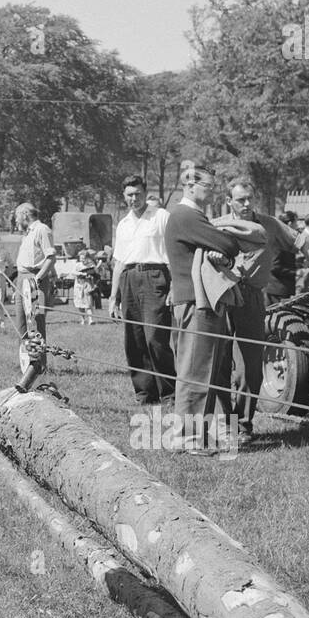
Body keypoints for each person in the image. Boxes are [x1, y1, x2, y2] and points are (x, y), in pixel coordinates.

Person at [164, 162, 241, 453]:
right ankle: (187, 438)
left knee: (203, 369)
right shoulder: (187, 216)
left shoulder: (190, 217)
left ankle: (198, 434)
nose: (212, 192)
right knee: (196, 371)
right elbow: (229, 244)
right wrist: (225, 246)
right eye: (208, 186)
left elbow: (222, 250)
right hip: (196, 302)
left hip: (197, 300)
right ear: (190, 185)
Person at [220, 180, 299, 439]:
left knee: (249, 365)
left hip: (252, 298)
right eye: (240, 199)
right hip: (221, 295)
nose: (245, 204)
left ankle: (243, 424)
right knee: (218, 362)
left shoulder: (270, 224)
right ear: (229, 200)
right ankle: (224, 420)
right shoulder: (218, 225)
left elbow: (300, 242)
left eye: (249, 198)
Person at [110, 175, 175, 406]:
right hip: (129, 279)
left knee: (155, 338)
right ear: (124, 196)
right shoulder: (124, 223)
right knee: (134, 340)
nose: (134, 198)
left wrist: (174, 286)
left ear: (145, 192)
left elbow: (173, 256)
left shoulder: (161, 216)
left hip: (155, 277)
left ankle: (169, 393)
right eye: (129, 194)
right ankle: (145, 394)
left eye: (137, 193)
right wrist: (112, 297)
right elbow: (118, 263)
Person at [11, 202, 56, 360]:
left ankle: (39, 364)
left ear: (25, 215)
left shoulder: (42, 229)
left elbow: (51, 258)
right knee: (21, 322)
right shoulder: (27, 233)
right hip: (22, 279)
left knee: (36, 322)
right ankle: (25, 361)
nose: (16, 221)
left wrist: (37, 280)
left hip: (35, 278)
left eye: (17, 216)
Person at [268, 210, 299, 300]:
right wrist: (296, 272)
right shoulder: (279, 240)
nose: (297, 226)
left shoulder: (285, 238)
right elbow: (274, 267)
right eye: (295, 223)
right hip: (277, 289)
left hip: (281, 288)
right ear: (289, 224)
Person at [72, 248, 100, 324]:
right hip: (78, 286)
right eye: (81, 258)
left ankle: (91, 319)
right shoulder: (78, 265)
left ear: (87, 258)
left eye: (84, 258)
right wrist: (81, 274)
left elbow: (96, 273)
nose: (82, 260)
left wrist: (91, 276)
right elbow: (73, 273)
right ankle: (83, 319)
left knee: (88, 303)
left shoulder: (91, 265)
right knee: (80, 304)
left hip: (87, 286)